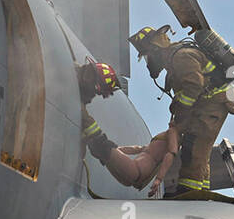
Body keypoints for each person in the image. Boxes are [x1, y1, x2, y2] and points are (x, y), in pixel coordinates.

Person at [130, 25, 234, 199]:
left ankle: (189, 193)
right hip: (207, 106)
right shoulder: (175, 59)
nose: (148, 61)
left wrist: (179, 115)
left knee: (193, 148)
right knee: (199, 150)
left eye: (147, 55)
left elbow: (193, 87)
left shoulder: (181, 57)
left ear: (155, 49)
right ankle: (201, 191)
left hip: (212, 106)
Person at [76, 59, 179, 195]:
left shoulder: (173, 133)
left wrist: (159, 179)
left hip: (135, 170)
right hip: (134, 172)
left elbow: (171, 154)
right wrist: (118, 150)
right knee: (100, 150)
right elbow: (138, 148)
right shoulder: (163, 137)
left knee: (102, 147)